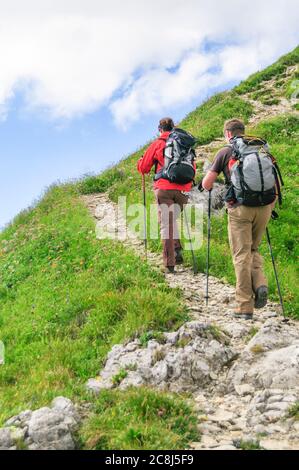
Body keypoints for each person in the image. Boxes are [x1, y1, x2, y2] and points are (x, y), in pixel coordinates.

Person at [201, 118, 275, 320]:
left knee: (241, 254)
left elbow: (207, 184)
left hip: (240, 209)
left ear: (227, 133)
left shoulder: (226, 151)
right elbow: (274, 183)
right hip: (265, 207)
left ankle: (244, 306)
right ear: (243, 131)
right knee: (253, 249)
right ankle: (260, 283)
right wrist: (269, 206)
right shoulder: (261, 149)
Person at [137, 117, 196, 273]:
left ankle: (169, 264)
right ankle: (176, 250)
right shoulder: (184, 143)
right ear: (173, 127)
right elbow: (193, 167)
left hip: (164, 189)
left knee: (166, 224)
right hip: (184, 191)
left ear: (160, 129)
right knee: (171, 219)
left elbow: (144, 168)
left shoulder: (158, 143)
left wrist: (140, 161)